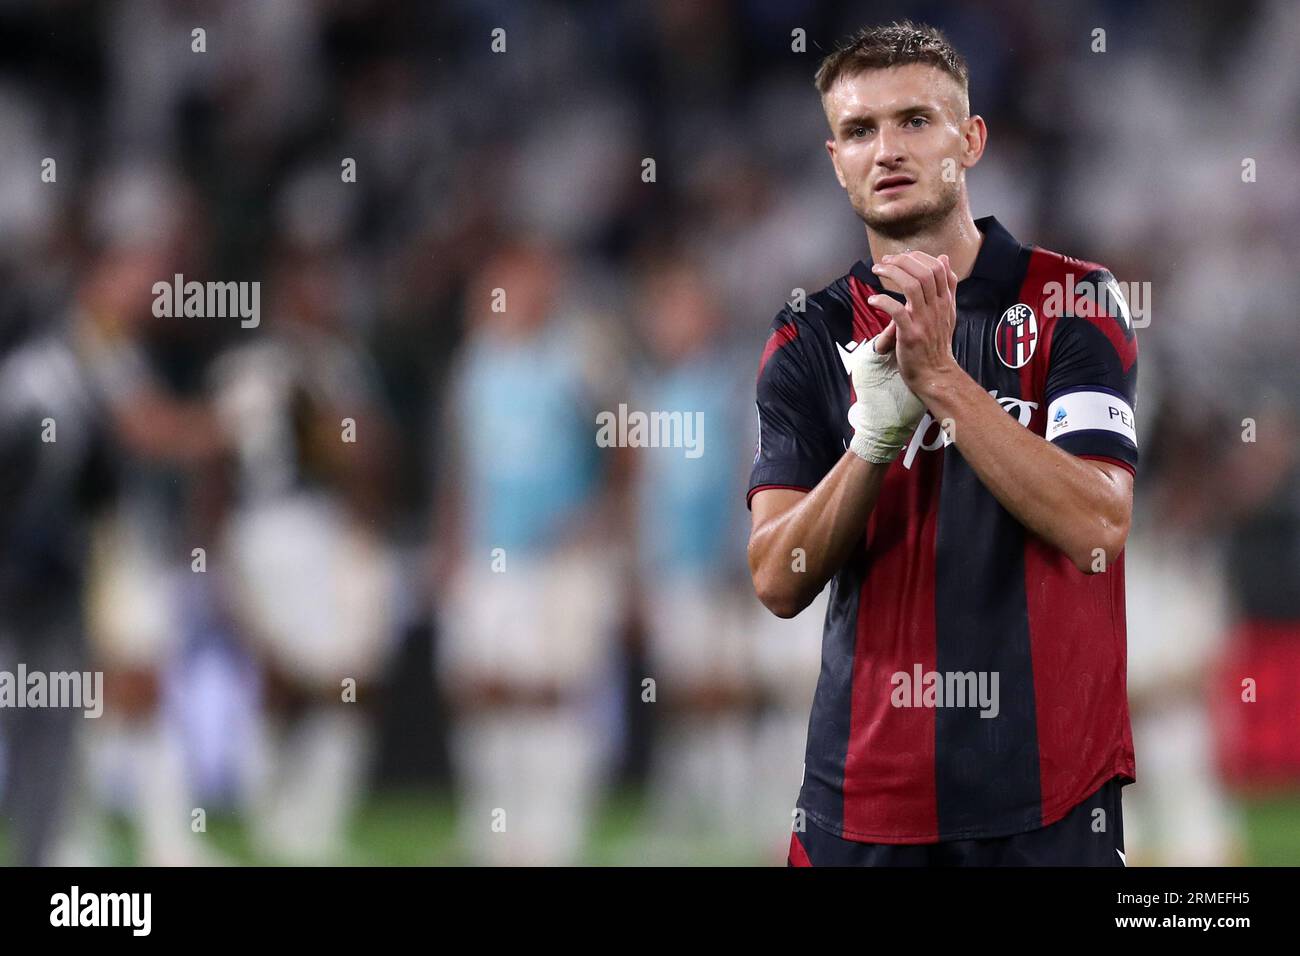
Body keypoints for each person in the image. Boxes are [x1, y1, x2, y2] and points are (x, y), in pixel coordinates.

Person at [746, 22, 1139, 866]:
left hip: (1048, 795)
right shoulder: (806, 338)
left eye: (915, 121)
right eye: (859, 130)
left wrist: (943, 383)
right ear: (835, 158)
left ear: (971, 140)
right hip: (861, 804)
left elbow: (1099, 526)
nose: (886, 149)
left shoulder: (1073, 301)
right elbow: (780, 579)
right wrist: (874, 440)